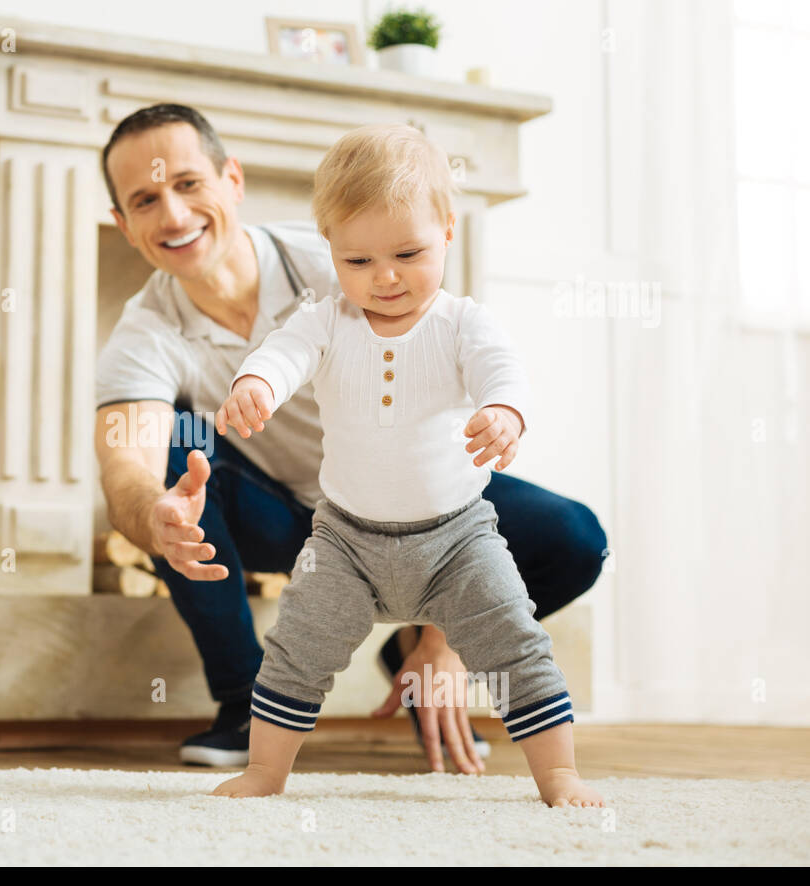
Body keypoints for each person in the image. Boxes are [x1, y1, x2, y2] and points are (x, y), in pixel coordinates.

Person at [94, 103, 608, 772]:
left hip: (425, 498)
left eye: (188, 183)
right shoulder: (144, 335)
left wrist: (440, 642)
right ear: (123, 226)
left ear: (232, 180)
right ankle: (246, 703)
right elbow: (126, 465)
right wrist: (155, 517)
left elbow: (475, 368)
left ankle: (414, 652)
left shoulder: (346, 254)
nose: (172, 214)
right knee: (180, 450)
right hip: (295, 519)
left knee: (576, 540)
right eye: (145, 199)